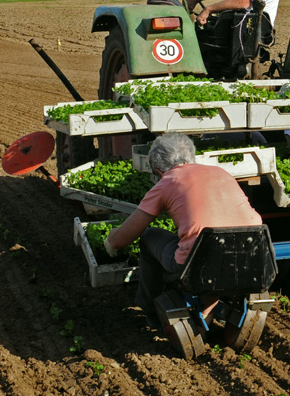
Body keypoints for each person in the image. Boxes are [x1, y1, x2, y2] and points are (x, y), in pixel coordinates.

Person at [104, 133, 262, 324]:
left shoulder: (167, 181)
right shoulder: (221, 172)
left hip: (199, 263)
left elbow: (124, 237)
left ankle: (150, 310)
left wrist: (111, 241)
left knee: (148, 236)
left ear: (158, 170)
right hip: (252, 254)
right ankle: (210, 304)